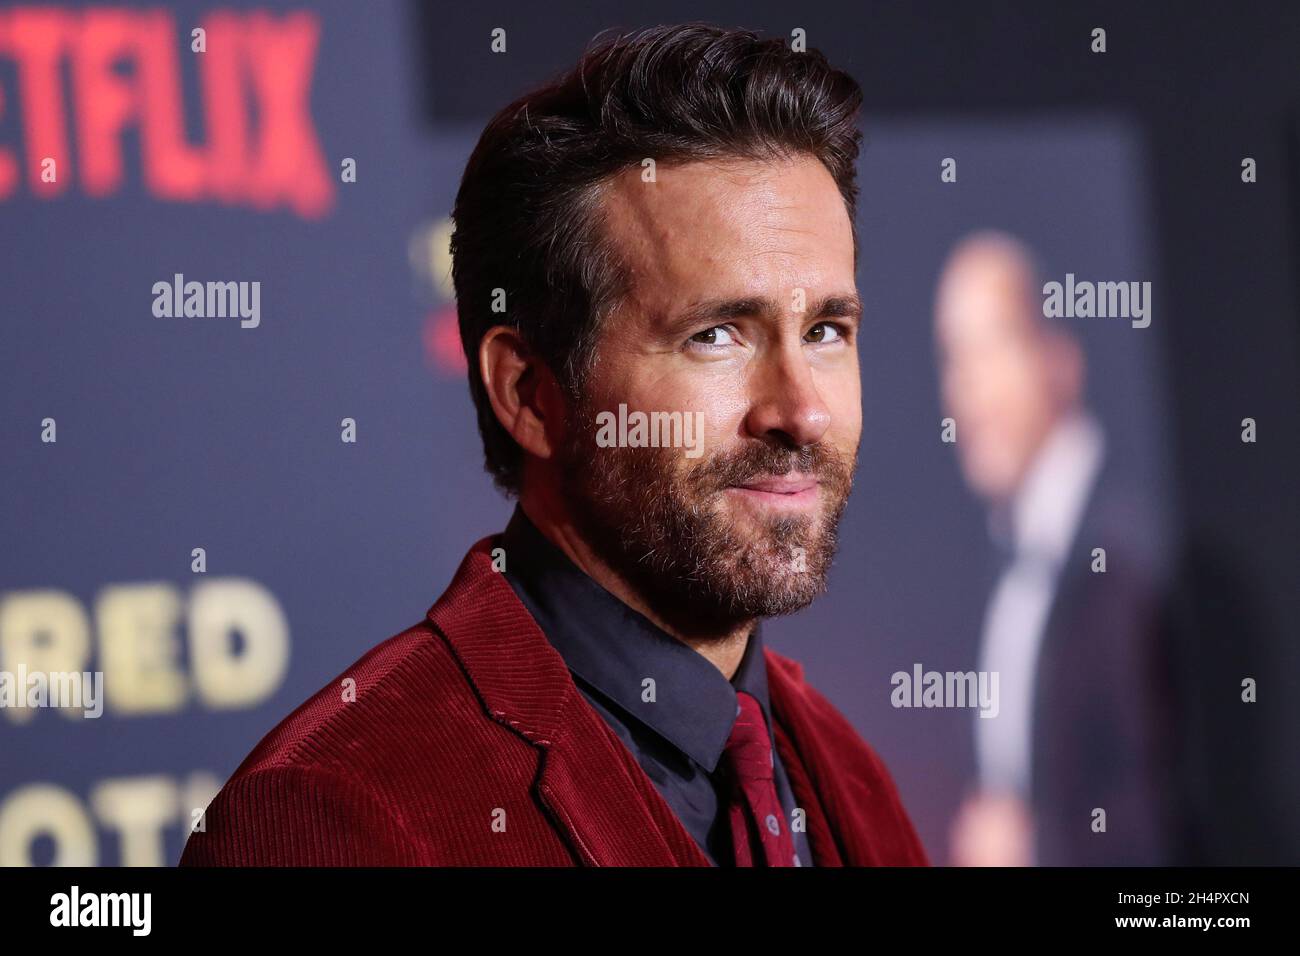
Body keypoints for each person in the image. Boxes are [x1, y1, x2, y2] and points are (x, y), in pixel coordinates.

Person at [179, 24, 927, 867]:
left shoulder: (843, 771)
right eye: (717, 335)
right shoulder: (332, 817)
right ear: (529, 393)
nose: (802, 412)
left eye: (827, 329)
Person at [935, 231, 1180, 865]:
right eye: (954, 359)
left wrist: (1036, 850)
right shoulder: (1008, 558)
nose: (967, 391)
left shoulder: (1135, 555)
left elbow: (1176, 815)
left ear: (1060, 357)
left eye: (994, 346)